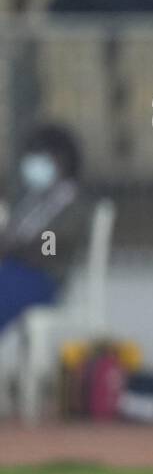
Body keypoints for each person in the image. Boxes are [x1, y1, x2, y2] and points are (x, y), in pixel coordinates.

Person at [0, 124, 91, 333]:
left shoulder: (73, 204)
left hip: (41, 280)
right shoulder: (31, 200)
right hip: (12, 272)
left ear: (62, 160)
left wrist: (15, 245)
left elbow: (50, 247)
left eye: (40, 156)